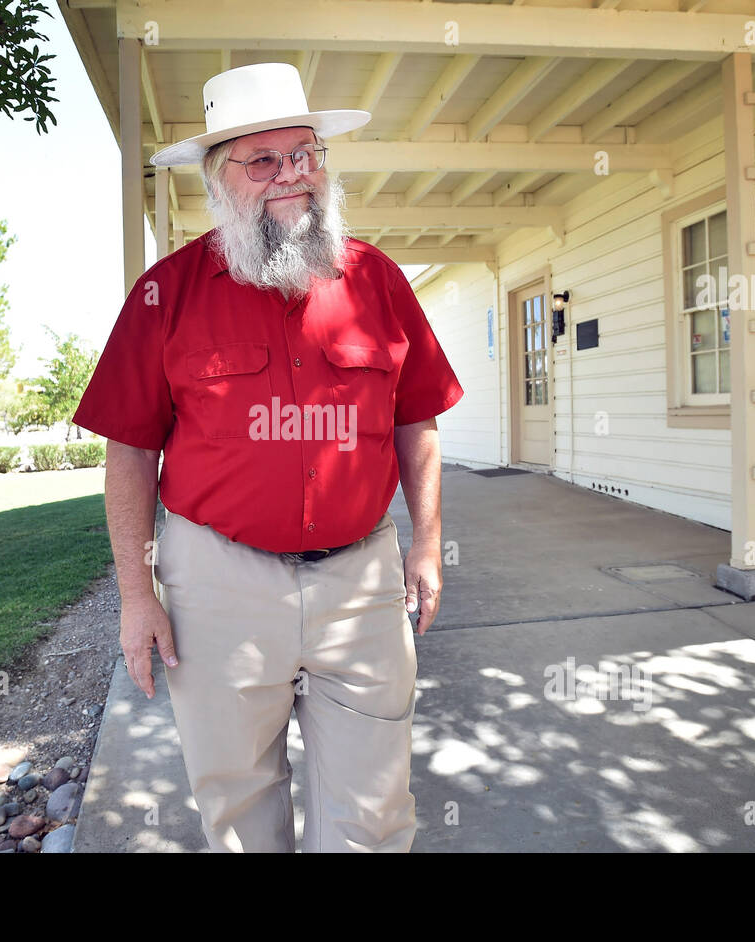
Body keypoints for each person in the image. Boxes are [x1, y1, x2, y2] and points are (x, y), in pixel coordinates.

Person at [72, 62, 463, 852]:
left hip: (360, 580)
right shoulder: (166, 294)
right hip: (215, 580)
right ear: (220, 181)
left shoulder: (379, 281)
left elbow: (417, 419)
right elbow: (130, 450)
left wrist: (424, 541)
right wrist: (135, 594)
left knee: (376, 810)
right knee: (238, 805)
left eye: (307, 155)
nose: (295, 175)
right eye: (265, 160)